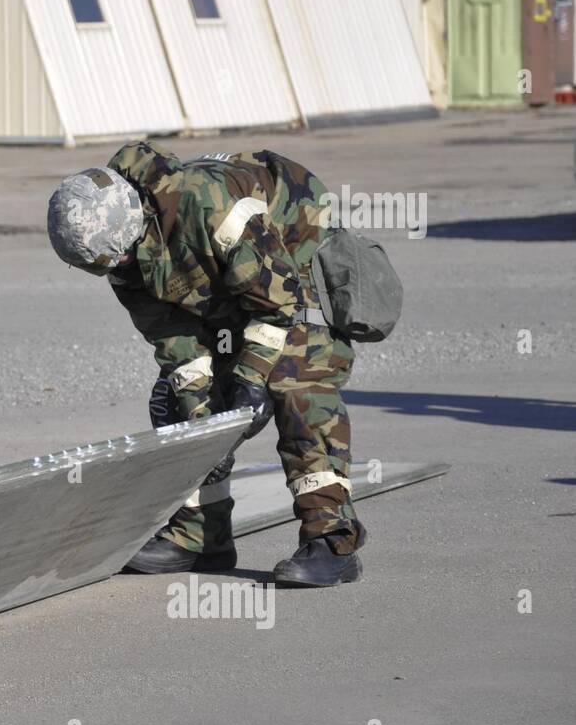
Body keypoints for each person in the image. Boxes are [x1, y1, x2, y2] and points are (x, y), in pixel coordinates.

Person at [47, 142, 366, 589]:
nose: (115, 269)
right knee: (178, 399)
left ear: (133, 224)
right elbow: (172, 337)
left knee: (296, 381)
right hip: (232, 285)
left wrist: (251, 379)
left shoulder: (212, 208)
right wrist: (203, 415)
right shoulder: (119, 255)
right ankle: (200, 537)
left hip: (295, 267)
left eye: (115, 259)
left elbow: (277, 305)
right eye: (103, 266)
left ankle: (332, 536)